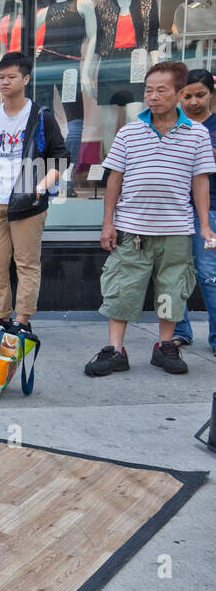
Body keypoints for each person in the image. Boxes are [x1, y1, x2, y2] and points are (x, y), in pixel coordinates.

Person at [86, 61, 216, 377]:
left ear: (179, 93)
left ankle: (165, 346)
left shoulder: (197, 134)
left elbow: (200, 181)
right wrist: (108, 223)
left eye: (161, 90)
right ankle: (115, 349)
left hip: (177, 230)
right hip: (131, 230)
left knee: (172, 289)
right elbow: (114, 179)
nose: (153, 96)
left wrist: (204, 225)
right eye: (148, 90)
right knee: (122, 287)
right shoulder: (129, 132)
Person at [0, 52, 69, 332]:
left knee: (26, 262)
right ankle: (1, 317)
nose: (4, 82)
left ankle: (22, 320)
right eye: (1, 77)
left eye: (11, 77)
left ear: (26, 79)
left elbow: (62, 157)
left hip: (27, 202)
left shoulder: (40, 116)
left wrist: (40, 188)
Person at [173, 69, 216, 351]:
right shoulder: (173, 124)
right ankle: (179, 331)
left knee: (208, 273)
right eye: (186, 96)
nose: (193, 102)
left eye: (200, 95)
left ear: (211, 93)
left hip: (211, 209)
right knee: (174, 272)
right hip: (174, 208)